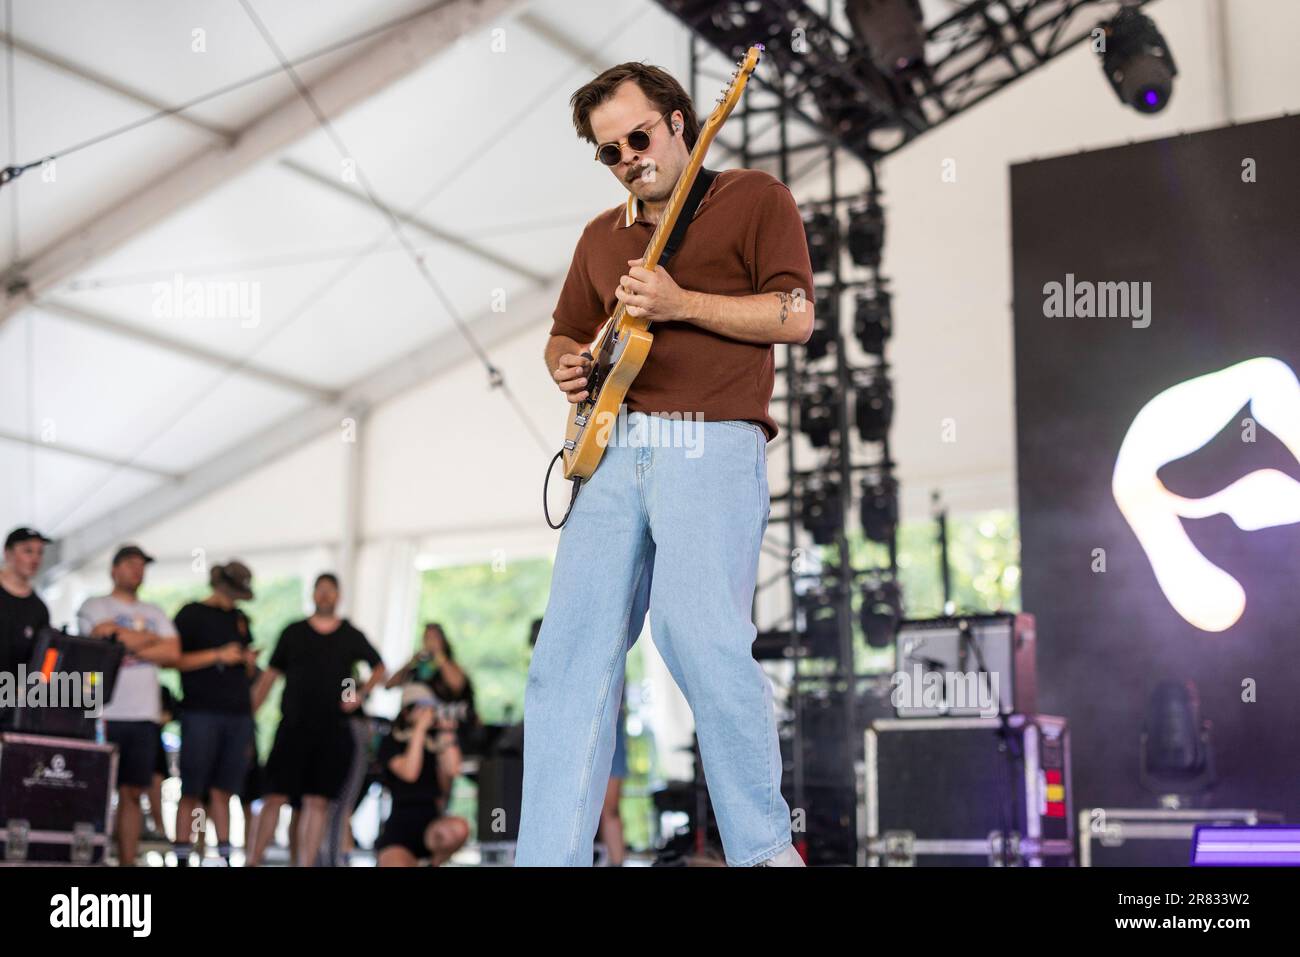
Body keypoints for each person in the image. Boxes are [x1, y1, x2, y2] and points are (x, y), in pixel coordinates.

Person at [518, 62, 813, 867]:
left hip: (711, 439)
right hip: (611, 451)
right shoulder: (597, 236)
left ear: (681, 120)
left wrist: (682, 303)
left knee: (701, 636)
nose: (629, 158)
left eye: (639, 136)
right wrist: (566, 364)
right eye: (609, 151)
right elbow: (563, 335)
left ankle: (763, 852)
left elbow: (796, 314)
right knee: (567, 658)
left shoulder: (754, 197)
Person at [249, 573, 386, 866]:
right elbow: (271, 676)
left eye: (330, 591)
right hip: (293, 727)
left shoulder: (350, 635)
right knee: (274, 796)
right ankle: (253, 860)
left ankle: (307, 863)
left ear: (338, 596)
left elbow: (379, 667)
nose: (324, 596)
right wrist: (250, 714)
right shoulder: (293, 632)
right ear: (312, 595)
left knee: (317, 801)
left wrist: (359, 695)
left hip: (331, 730)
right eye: (319, 591)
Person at [76, 544, 181, 865]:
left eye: (142, 565)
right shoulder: (95, 604)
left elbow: (173, 653)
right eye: (131, 564)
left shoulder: (155, 611)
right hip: (104, 712)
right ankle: (89, 857)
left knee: (133, 792)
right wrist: (151, 640)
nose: (138, 570)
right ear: (114, 570)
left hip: (144, 715)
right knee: (94, 790)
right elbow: (98, 638)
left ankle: (126, 862)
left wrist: (122, 642)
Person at [172, 561, 259, 865]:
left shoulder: (240, 619)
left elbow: (249, 671)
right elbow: (175, 659)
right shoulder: (191, 614)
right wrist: (218, 655)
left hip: (237, 714)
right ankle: (183, 854)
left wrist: (246, 661)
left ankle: (224, 856)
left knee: (224, 790)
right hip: (200, 712)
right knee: (192, 789)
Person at [375, 683, 469, 867]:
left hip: (432, 823)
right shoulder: (391, 742)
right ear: (406, 712)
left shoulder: (434, 739)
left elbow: (454, 769)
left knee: (460, 828)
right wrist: (419, 730)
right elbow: (410, 773)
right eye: (421, 707)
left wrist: (447, 731)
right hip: (401, 827)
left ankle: (433, 861)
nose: (428, 712)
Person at [0, 527, 52, 729]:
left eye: (40, 552)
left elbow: (43, 662)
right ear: (8, 553)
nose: (35, 558)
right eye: (28, 551)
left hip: (15, 709)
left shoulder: (39, 609)